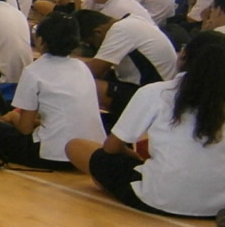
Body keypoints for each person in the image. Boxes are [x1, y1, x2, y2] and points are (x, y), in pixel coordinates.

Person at [66, 31, 225, 217]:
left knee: (77, 147)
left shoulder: (157, 92)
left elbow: (111, 148)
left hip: (158, 198)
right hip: (216, 205)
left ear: (184, 56)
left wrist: (135, 157)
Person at [0, 13, 104, 170]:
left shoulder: (34, 71)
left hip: (49, 155)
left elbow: (25, 129)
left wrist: (15, 118)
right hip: (88, 155)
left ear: (41, 41)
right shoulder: (83, 68)